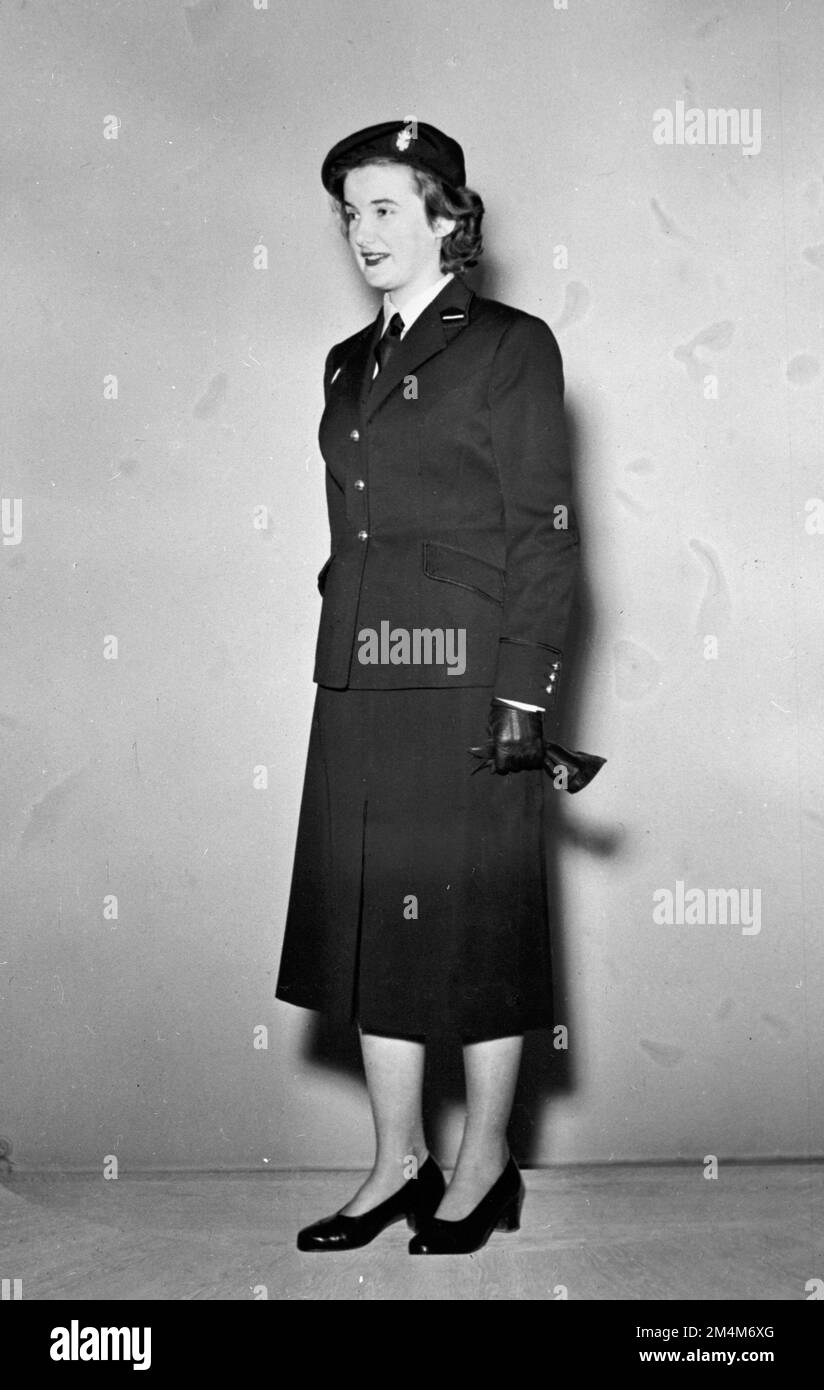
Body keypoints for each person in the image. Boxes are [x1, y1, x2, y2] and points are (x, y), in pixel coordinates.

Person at [275, 119, 604, 1255]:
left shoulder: (511, 346)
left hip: (470, 686)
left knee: (479, 925)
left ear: (442, 221)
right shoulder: (344, 362)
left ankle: (483, 1162)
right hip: (363, 681)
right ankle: (395, 1161)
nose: (360, 230)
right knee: (372, 924)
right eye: (347, 211)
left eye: (381, 207)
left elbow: (546, 536)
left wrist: (523, 695)